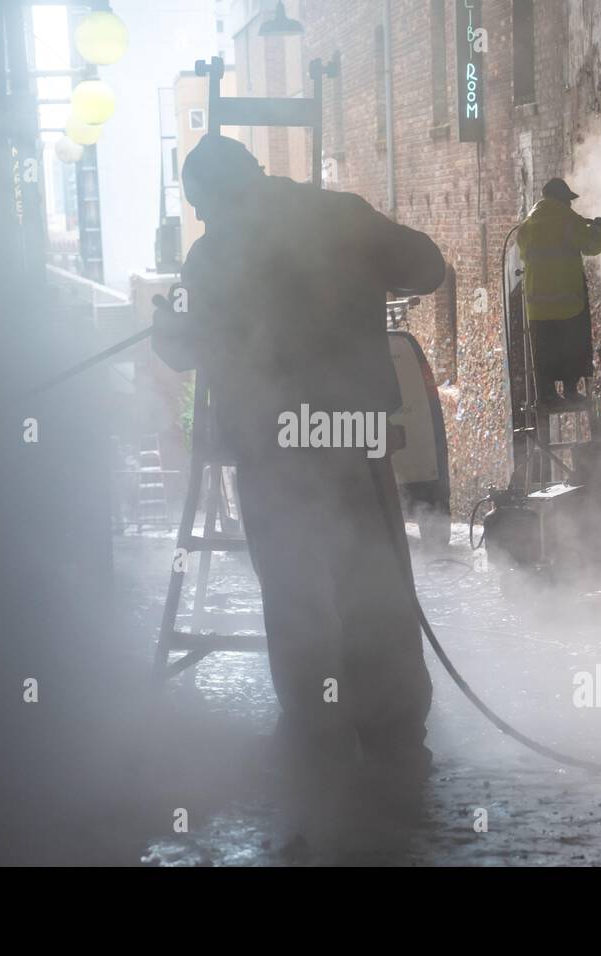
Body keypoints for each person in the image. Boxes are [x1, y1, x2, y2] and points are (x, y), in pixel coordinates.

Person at [152, 134, 445, 781]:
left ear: (216, 196)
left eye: (201, 205)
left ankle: (319, 737)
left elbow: (179, 347)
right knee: (376, 582)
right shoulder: (340, 216)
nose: (202, 219)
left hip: (273, 445)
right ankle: (394, 732)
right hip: (352, 434)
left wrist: (165, 322)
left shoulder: (211, 256)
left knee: (295, 594)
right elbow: (428, 268)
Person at [516, 177, 601, 416]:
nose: (570, 205)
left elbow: (525, 253)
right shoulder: (570, 221)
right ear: (562, 199)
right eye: (568, 200)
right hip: (567, 302)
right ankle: (570, 391)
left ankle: (546, 395)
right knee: (572, 348)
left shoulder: (527, 226)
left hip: (537, 306)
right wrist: (597, 228)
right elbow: (591, 246)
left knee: (544, 351)